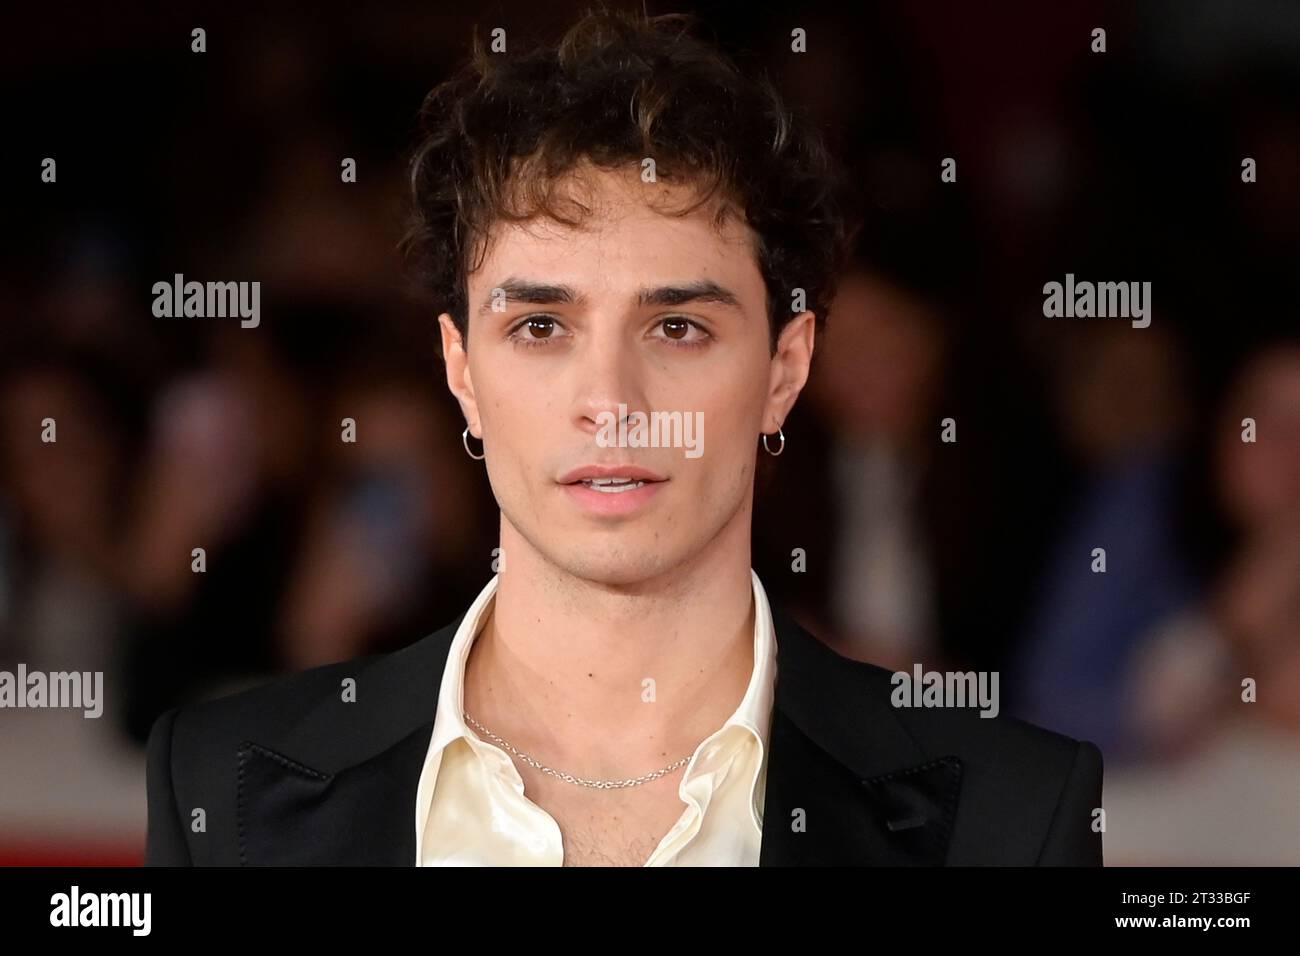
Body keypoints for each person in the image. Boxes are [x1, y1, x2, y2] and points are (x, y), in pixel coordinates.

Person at [144, 8, 1101, 867]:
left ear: (786, 369)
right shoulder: (224, 794)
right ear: (462, 372)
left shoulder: (1007, 817)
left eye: (677, 328)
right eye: (540, 328)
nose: (610, 401)